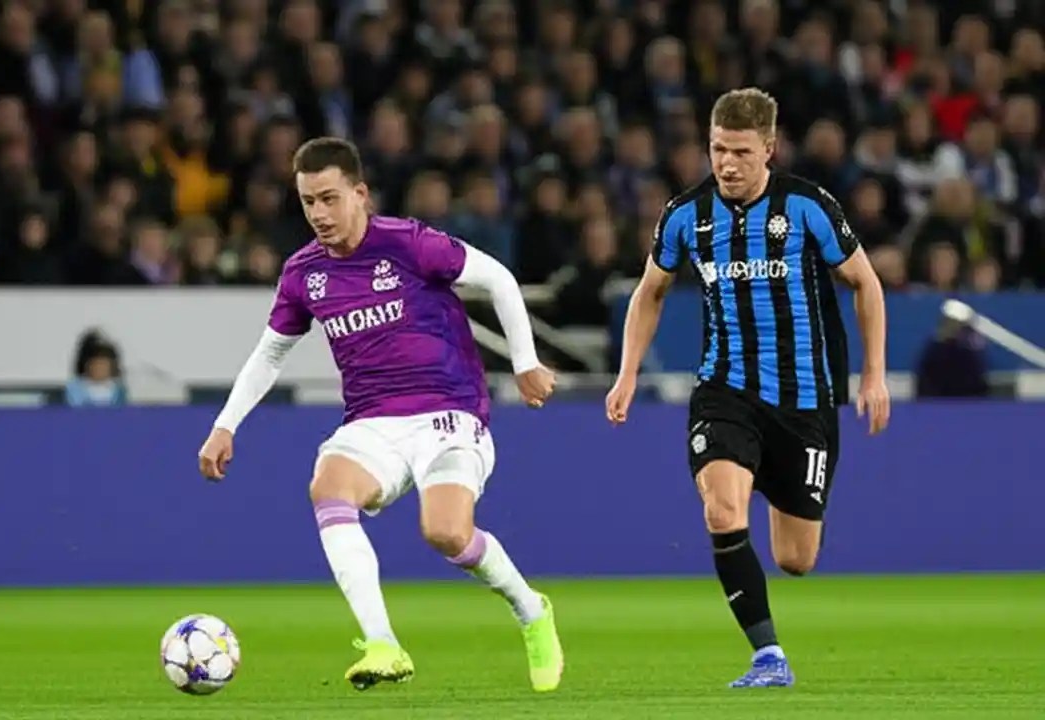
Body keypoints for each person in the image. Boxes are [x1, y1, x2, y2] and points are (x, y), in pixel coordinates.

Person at [197, 137, 564, 693]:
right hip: (371, 421)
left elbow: (499, 281)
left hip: (449, 411)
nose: (319, 214)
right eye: (307, 202)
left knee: (445, 533)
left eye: (329, 198)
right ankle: (383, 644)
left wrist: (525, 363)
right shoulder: (304, 274)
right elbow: (271, 351)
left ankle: (531, 609)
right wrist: (225, 424)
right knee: (328, 488)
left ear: (359, 194)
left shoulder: (410, 244)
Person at [605, 88, 890, 688]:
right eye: (716, 149)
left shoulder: (807, 207)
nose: (726, 163)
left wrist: (873, 374)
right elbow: (648, 292)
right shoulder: (686, 215)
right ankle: (768, 656)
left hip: (806, 399)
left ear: (768, 148)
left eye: (739, 151)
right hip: (726, 389)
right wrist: (628, 371)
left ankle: (755, 469)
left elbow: (865, 283)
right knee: (723, 507)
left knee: (796, 559)